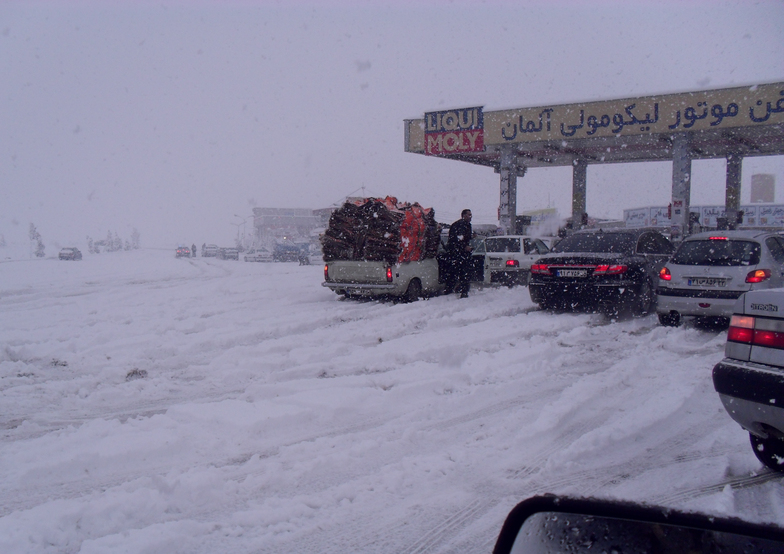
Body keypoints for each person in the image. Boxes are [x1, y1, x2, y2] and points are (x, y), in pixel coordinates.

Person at [445, 209, 473, 298]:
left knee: (463, 272)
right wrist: (464, 247)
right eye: (469, 215)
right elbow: (456, 239)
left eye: (471, 215)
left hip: (463, 254)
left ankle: (461, 289)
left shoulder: (468, 225)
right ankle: (456, 290)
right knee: (458, 272)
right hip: (457, 254)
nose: (470, 216)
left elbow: (465, 238)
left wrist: (471, 237)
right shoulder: (459, 225)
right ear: (463, 215)